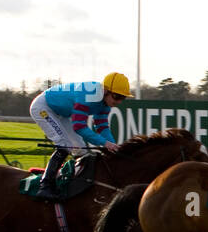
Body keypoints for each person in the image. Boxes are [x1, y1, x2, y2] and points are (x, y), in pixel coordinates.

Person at [29, 72, 132, 200]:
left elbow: (102, 127)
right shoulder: (88, 96)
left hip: (62, 114)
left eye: (123, 98)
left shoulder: (105, 104)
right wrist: (105, 144)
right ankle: (44, 187)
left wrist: (113, 147)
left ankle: (71, 182)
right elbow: (79, 127)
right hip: (43, 107)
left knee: (80, 149)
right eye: (117, 96)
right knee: (64, 144)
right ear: (105, 91)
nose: (119, 101)